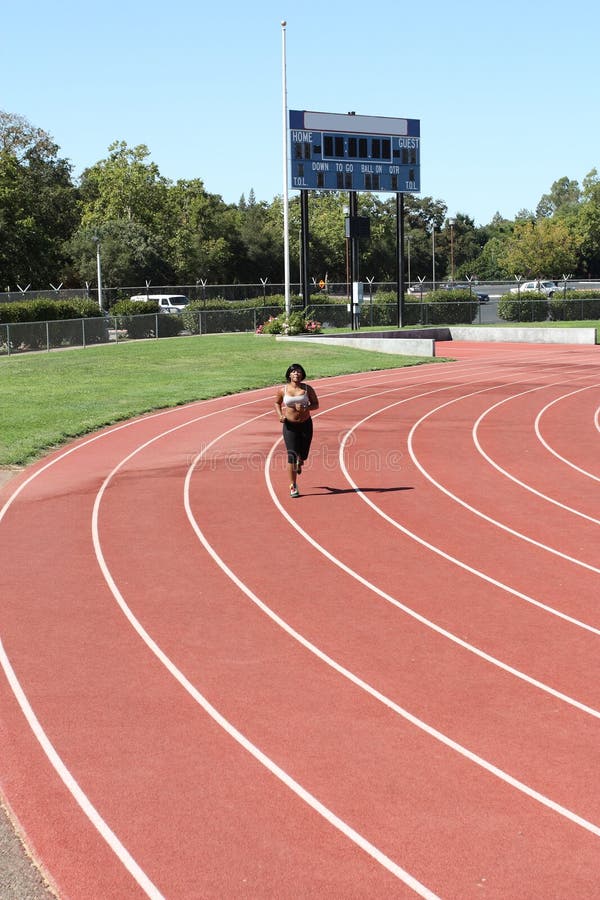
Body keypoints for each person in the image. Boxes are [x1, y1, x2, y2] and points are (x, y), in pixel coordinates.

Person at [274, 363, 319, 498]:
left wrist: (306, 408)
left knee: (303, 454)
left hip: (305, 424)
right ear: (289, 374)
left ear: (302, 374)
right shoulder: (283, 390)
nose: (296, 374)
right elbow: (277, 403)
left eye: (299, 372)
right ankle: (293, 485)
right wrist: (280, 416)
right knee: (291, 456)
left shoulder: (307, 389)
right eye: (294, 372)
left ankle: (301, 459)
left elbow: (316, 404)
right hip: (290, 426)